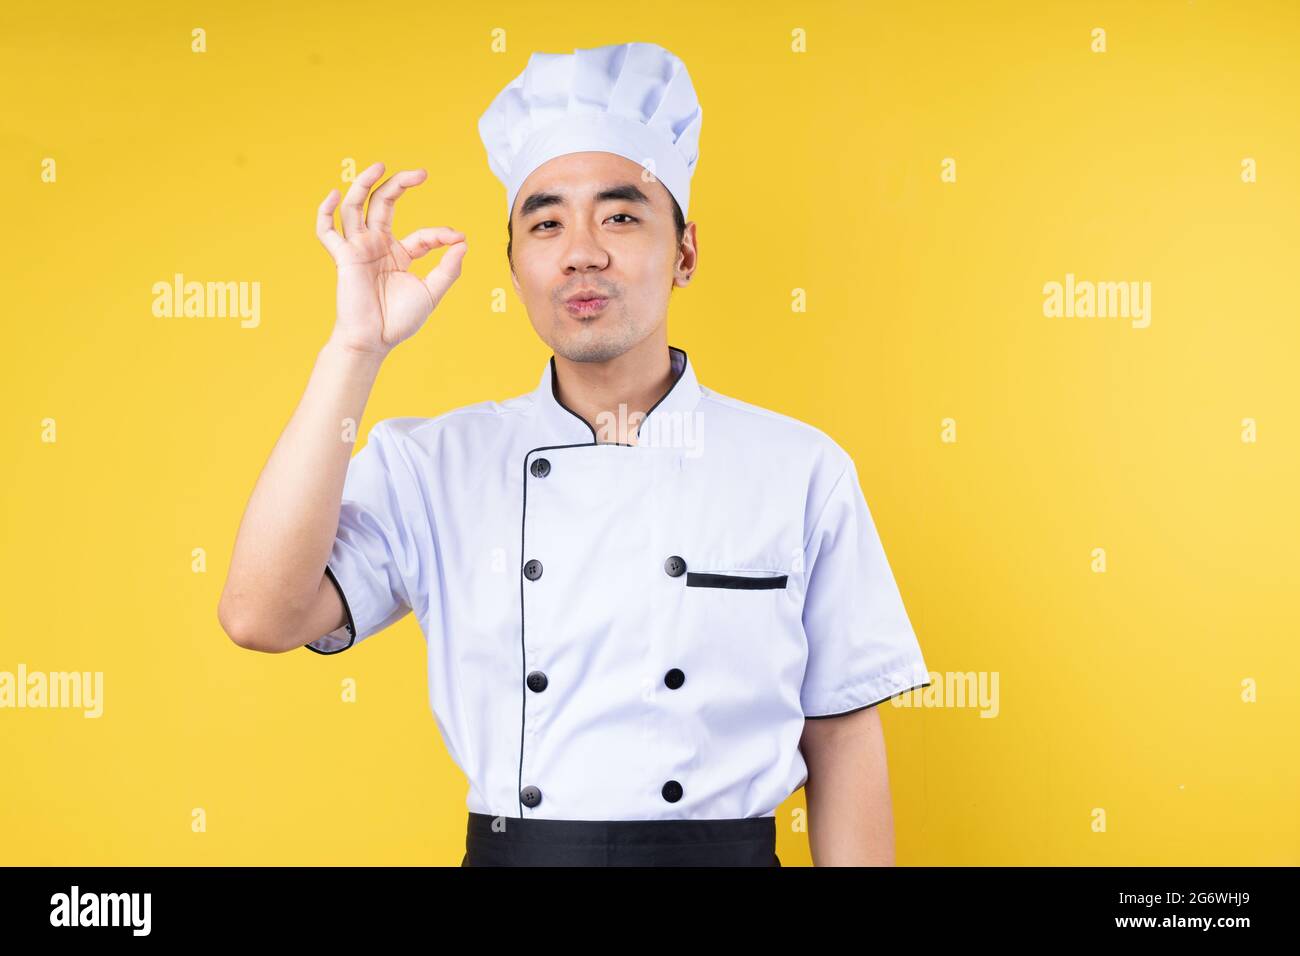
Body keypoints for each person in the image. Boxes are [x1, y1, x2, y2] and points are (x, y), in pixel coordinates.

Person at [218, 41, 930, 867]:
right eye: (546, 221)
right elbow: (260, 615)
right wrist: (355, 349)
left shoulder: (801, 469)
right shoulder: (435, 464)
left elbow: (841, 737)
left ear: (686, 251)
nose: (582, 250)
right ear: (516, 263)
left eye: (622, 215)